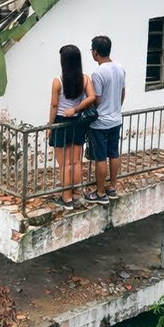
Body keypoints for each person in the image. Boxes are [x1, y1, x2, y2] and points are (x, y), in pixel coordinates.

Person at [50, 44, 95, 209]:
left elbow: (54, 106)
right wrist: (76, 109)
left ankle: (66, 198)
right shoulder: (85, 78)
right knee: (76, 161)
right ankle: (76, 194)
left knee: (64, 163)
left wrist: (50, 126)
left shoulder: (58, 82)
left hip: (61, 122)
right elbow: (92, 97)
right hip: (78, 123)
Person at [85, 35, 125, 205]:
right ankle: (112, 186)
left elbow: (98, 99)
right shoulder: (120, 67)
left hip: (100, 122)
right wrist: (116, 108)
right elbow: (123, 92)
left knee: (100, 158)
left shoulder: (98, 73)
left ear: (95, 52)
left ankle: (100, 192)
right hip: (116, 119)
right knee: (114, 153)